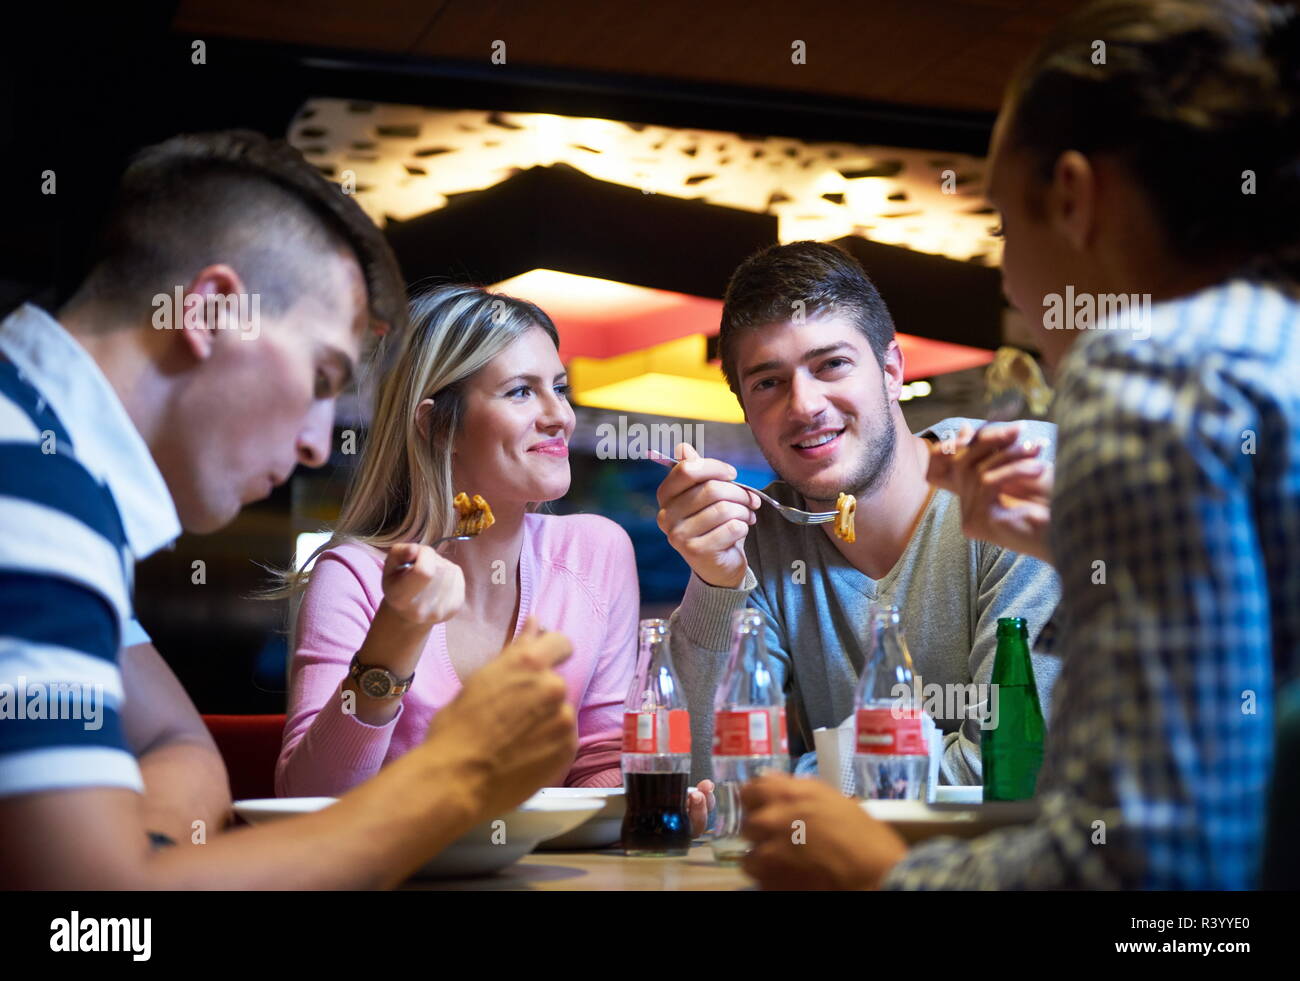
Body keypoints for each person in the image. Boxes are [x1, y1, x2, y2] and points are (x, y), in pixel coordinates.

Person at [739, 0, 1300, 890]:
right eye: (766, 380)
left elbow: (1157, 873)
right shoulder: (1268, 341)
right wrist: (1077, 547)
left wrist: (880, 872)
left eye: (1002, 223)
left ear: (1074, 198)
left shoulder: (1150, 372)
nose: (1007, 276)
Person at [0, 131, 578, 889]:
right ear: (209, 313)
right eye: (320, 375)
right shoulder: (29, 491)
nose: (314, 444)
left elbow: (179, 742)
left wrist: (142, 859)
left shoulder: (52, 470)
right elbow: (93, 926)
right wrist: (455, 779)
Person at [657, 241, 1062, 786]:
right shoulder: (761, 542)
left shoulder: (1012, 479)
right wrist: (715, 584)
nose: (803, 406)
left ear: (892, 370)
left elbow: (1013, 769)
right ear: (746, 409)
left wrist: (800, 779)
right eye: (769, 383)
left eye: (832, 365)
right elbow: (698, 780)